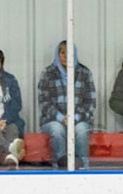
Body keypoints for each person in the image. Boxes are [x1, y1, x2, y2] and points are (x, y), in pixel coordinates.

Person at [38, 40, 96, 169]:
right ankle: (60, 168)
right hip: (53, 120)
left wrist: (75, 118)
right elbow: (44, 102)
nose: (65, 56)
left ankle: (83, 168)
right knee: (57, 130)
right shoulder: (48, 73)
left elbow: (90, 102)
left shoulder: (85, 73)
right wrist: (60, 118)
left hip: (80, 119)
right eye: (62, 53)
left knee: (81, 131)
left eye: (69, 53)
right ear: (57, 55)